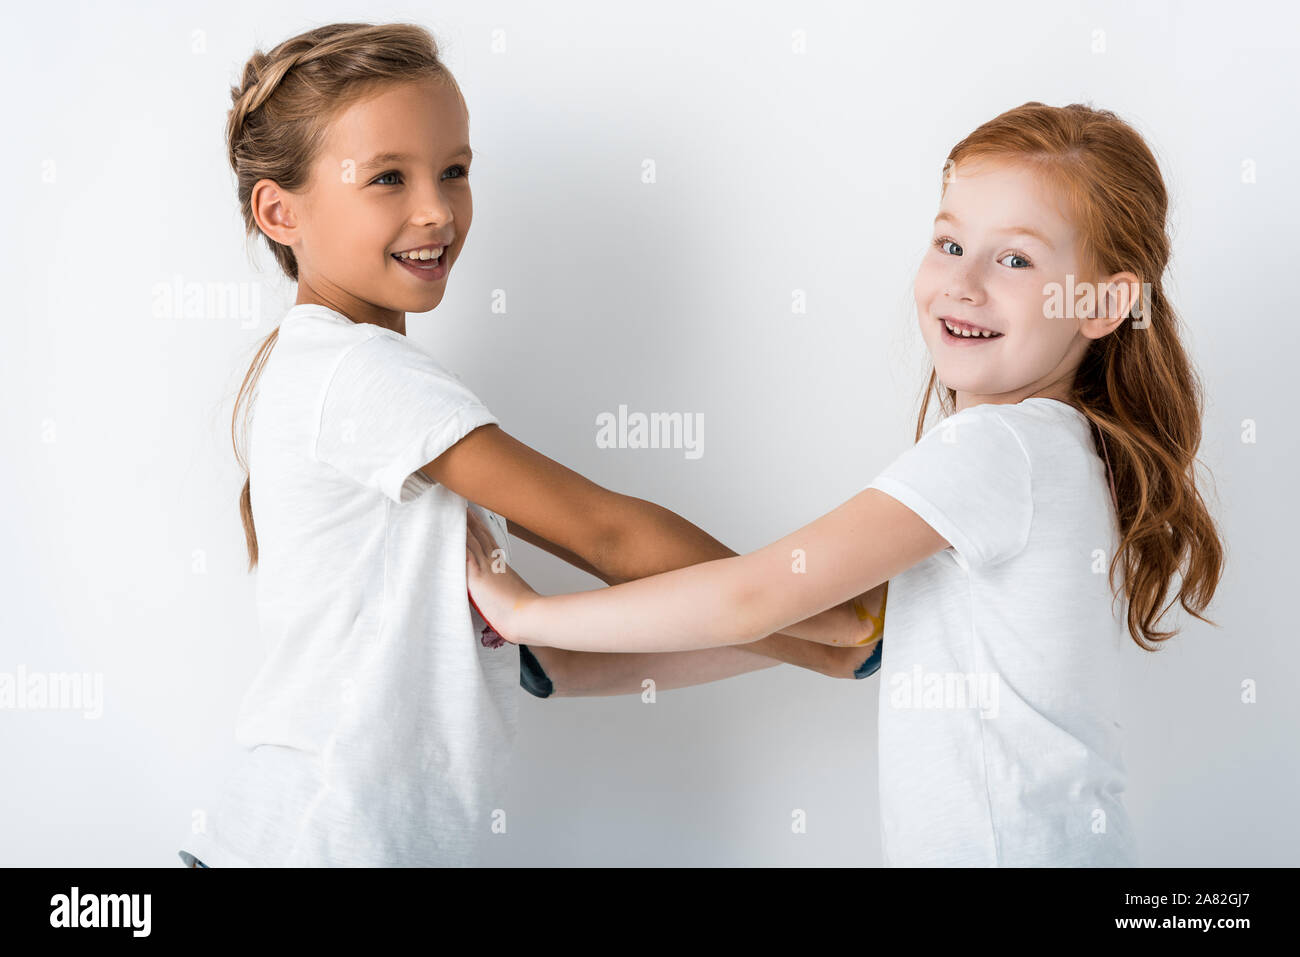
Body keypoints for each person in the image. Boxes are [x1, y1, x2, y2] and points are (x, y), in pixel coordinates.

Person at [178, 21, 881, 869]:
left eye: (455, 171)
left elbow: (540, 658)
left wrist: (822, 650)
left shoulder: (354, 382)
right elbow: (605, 534)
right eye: (388, 179)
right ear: (278, 211)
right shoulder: (363, 378)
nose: (436, 209)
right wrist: (831, 615)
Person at [466, 101, 1227, 867]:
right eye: (951, 242)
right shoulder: (1050, 452)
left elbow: (755, 597)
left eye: (1015, 260)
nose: (962, 282)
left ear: (1101, 303)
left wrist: (529, 612)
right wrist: (565, 667)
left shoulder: (998, 448)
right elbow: (848, 630)